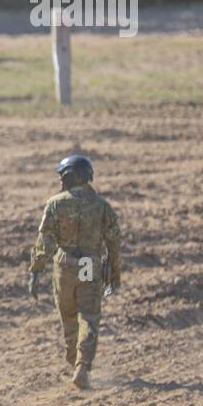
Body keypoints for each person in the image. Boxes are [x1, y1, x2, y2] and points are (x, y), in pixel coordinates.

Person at [27, 154, 121, 389]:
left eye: (63, 176)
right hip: (89, 264)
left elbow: (45, 240)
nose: (60, 181)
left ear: (71, 177)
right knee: (89, 316)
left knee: (68, 316)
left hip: (64, 264)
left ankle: (73, 359)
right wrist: (114, 274)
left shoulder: (56, 203)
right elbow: (113, 244)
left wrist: (36, 271)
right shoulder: (102, 206)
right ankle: (82, 365)